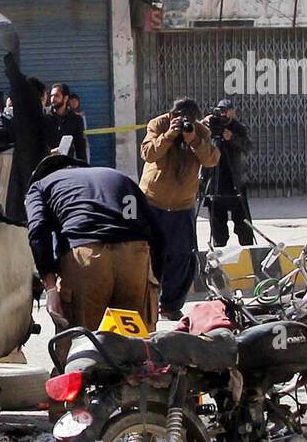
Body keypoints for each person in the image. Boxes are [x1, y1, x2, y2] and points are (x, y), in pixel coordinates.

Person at [26, 152, 164, 332]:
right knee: (135, 346)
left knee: (82, 344)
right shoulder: (118, 176)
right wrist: (153, 283)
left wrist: (51, 288)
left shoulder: (40, 186)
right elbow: (158, 235)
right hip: (134, 255)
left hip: (86, 258)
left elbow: (37, 231)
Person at [139, 97, 220, 320]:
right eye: (179, 119)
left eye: (189, 120)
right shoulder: (158, 125)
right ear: (172, 115)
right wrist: (169, 135)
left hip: (182, 207)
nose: (183, 122)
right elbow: (148, 153)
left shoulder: (200, 131)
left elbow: (212, 159)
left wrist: (194, 139)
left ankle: (170, 305)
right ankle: (146, 301)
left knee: (182, 257)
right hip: (152, 202)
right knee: (148, 255)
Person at [201, 98, 255, 247]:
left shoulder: (238, 127)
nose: (223, 114)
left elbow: (247, 147)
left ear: (232, 111)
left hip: (235, 180)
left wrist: (232, 138)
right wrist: (203, 123)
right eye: (220, 111)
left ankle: (248, 250)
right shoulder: (209, 125)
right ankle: (219, 250)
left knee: (243, 223)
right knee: (218, 225)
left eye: (226, 110)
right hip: (214, 180)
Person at [45, 82, 88, 164]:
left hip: (66, 165)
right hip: (46, 165)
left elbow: (80, 148)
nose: (53, 99)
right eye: (51, 96)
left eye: (57, 96)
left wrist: (83, 167)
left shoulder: (76, 119)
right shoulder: (44, 117)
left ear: (65, 98)